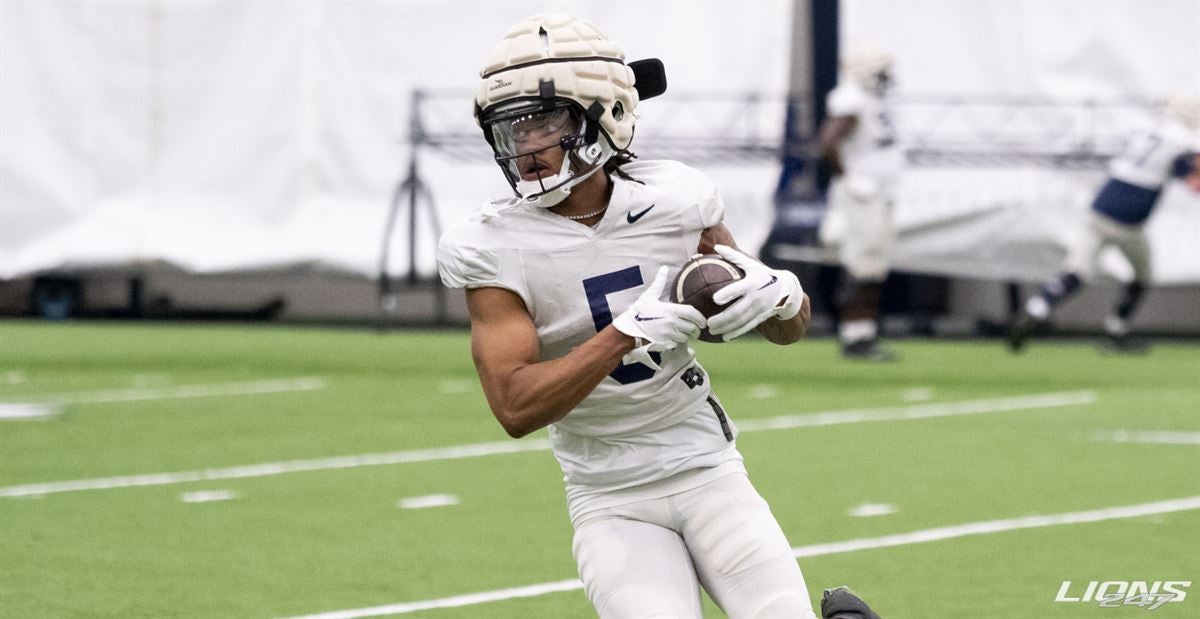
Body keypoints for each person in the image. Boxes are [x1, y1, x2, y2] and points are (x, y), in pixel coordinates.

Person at [437, 13, 881, 619]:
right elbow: (515, 407)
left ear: (606, 114)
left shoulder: (674, 199)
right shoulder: (489, 243)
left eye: (544, 121)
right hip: (608, 495)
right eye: (510, 129)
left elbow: (787, 327)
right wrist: (625, 334)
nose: (526, 147)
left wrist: (779, 293)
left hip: (706, 468)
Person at [1008, 95, 1200, 352]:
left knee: (1077, 271)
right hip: (1127, 222)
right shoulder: (1180, 142)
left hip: (1098, 209)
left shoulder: (1147, 129)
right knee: (1143, 276)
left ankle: (1035, 308)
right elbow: (1193, 181)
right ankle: (1116, 330)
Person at [816, 48, 903, 361]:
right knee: (861, 264)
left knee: (874, 266)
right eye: (881, 71)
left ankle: (863, 333)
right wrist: (846, 177)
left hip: (878, 192)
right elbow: (827, 142)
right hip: (862, 193)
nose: (885, 77)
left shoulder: (872, 98)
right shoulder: (850, 98)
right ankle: (852, 334)